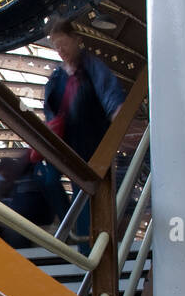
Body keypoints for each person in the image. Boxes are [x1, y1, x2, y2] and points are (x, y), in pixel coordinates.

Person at [39, 18, 125, 249]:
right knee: (46, 179)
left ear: (77, 40)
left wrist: (119, 122)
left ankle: (88, 248)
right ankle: (73, 231)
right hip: (66, 146)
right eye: (56, 46)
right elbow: (50, 112)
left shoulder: (92, 67)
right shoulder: (57, 77)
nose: (60, 50)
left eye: (63, 44)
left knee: (87, 195)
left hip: (93, 144)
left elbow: (111, 98)